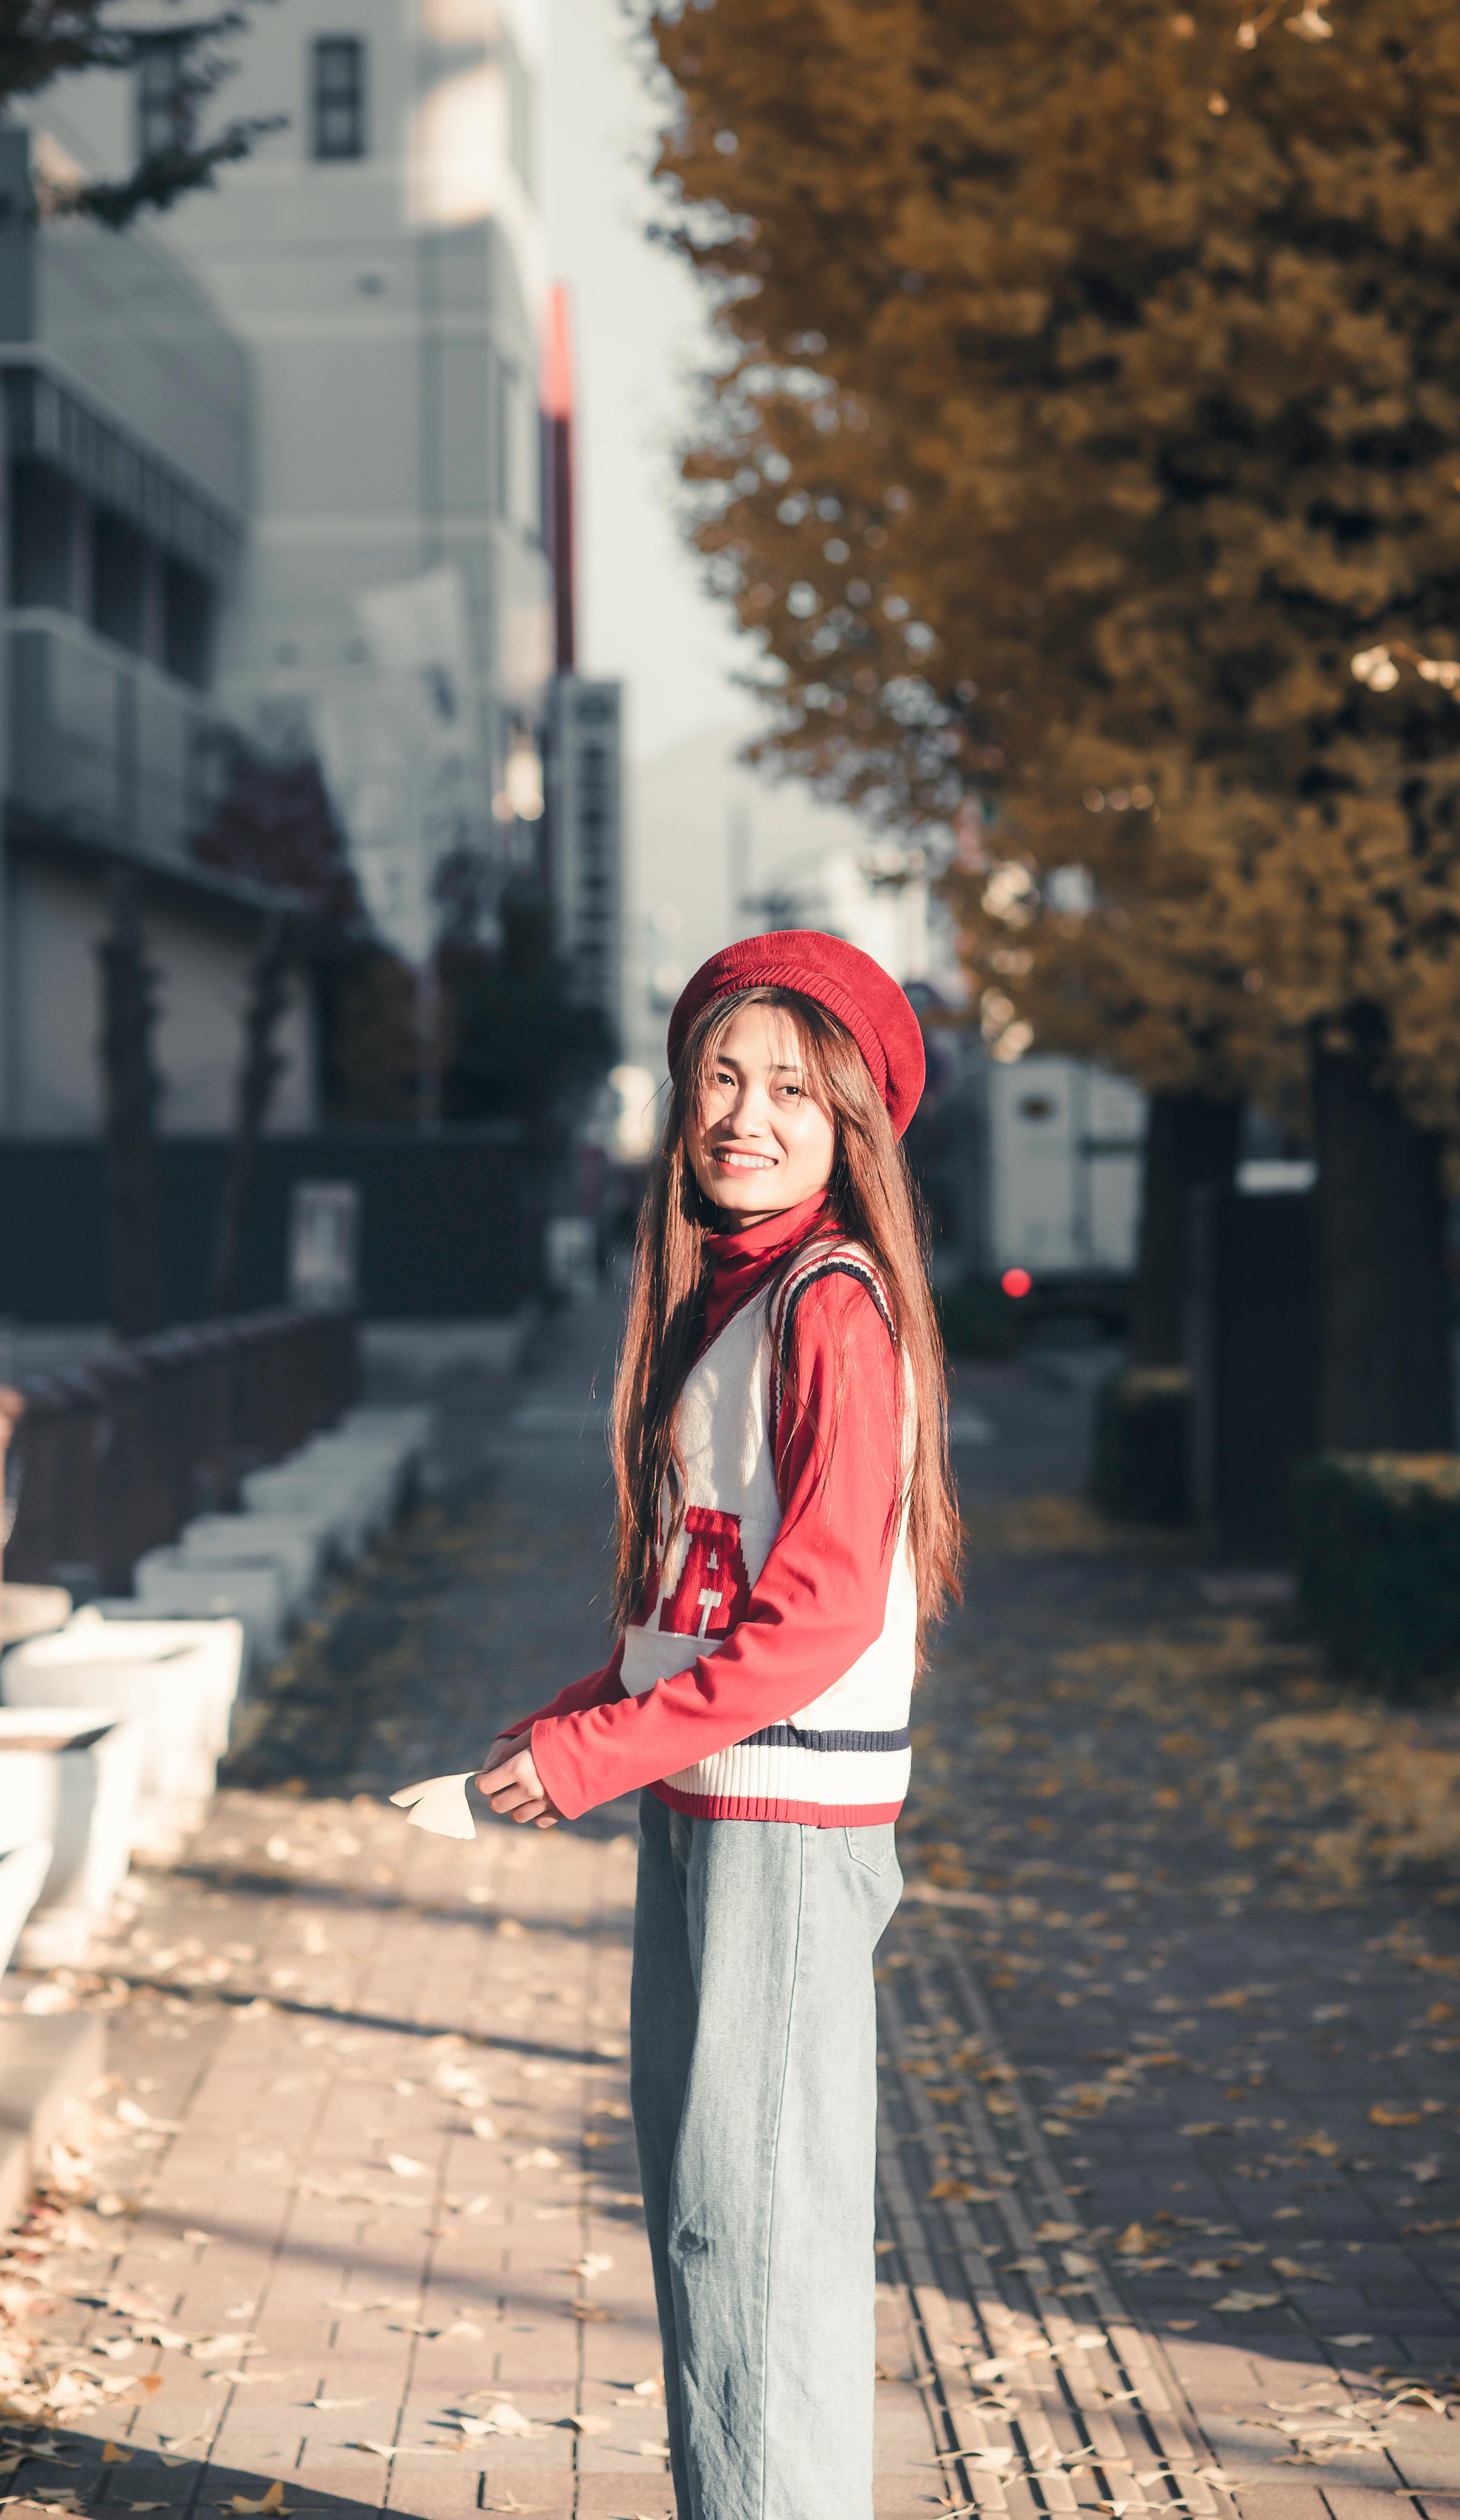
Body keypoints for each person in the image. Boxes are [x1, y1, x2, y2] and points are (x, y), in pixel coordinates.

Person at [478, 930, 962, 2520]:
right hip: (712, 1802)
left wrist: (592, 1755)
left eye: (793, 1093)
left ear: (852, 1127)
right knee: (712, 2217)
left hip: (782, 1823)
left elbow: (812, 1618)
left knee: (753, 2232)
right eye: (722, 1079)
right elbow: (705, 1595)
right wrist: (576, 1717)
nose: (745, 1117)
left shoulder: (832, 1306)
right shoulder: (741, 1296)